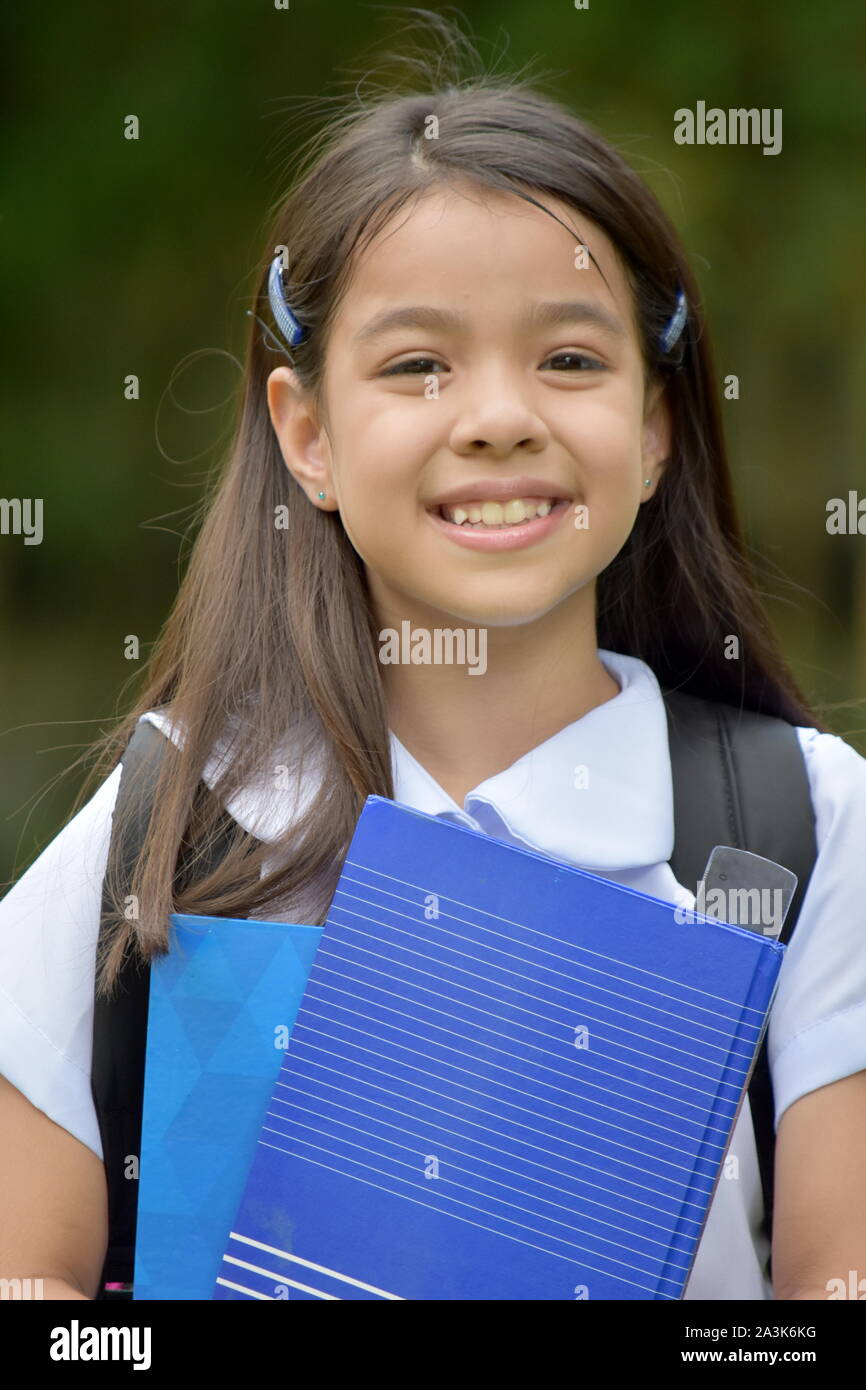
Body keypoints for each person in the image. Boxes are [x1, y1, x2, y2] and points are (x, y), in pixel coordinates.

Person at [2, 27, 866, 1302]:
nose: (500, 414)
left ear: (653, 428)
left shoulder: (804, 827)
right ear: (308, 437)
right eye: (417, 365)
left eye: (569, 358)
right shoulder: (173, 823)